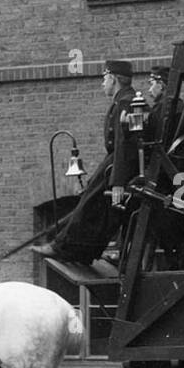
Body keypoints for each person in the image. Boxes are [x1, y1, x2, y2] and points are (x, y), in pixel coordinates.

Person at [32, 59, 138, 264]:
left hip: (118, 163)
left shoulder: (126, 102)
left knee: (89, 204)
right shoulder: (124, 100)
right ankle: (80, 249)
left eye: (104, 78)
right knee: (90, 202)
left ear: (114, 78)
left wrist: (118, 181)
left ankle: (64, 246)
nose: (102, 83)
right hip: (115, 162)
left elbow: (123, 143)